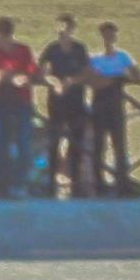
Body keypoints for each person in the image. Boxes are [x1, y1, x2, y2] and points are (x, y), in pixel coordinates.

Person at [37, 14, 95, 199]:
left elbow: (87, 72)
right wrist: (54, 82)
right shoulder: (52, 49)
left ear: (72, 28)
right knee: (54, 141)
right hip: (56, 102)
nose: (63, 30)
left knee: (76, 142)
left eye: (66, 26)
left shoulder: (80, 49)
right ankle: (51, 184)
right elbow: (43, 72)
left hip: (76, 101)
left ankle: (77, 183)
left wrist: (72, 81)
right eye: (60, 26)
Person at [0, 17, 38, 195]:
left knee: (23, 143)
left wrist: (21, 78)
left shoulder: (23, 50)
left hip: (21, 101)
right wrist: (8, 75)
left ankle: (20, 183)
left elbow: (32, 74)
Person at [85, 21, 138, 196]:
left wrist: (113, 79)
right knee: (99, 144)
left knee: (119, 144)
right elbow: (92, 81)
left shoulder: (123, 57)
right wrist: (116, 79)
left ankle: (122, 182)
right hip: (100, 103)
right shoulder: (95, 59)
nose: (108, 38)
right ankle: (98, 183)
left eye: (111, 34)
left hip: (115, 103)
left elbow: (136, 75)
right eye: (105, 34)